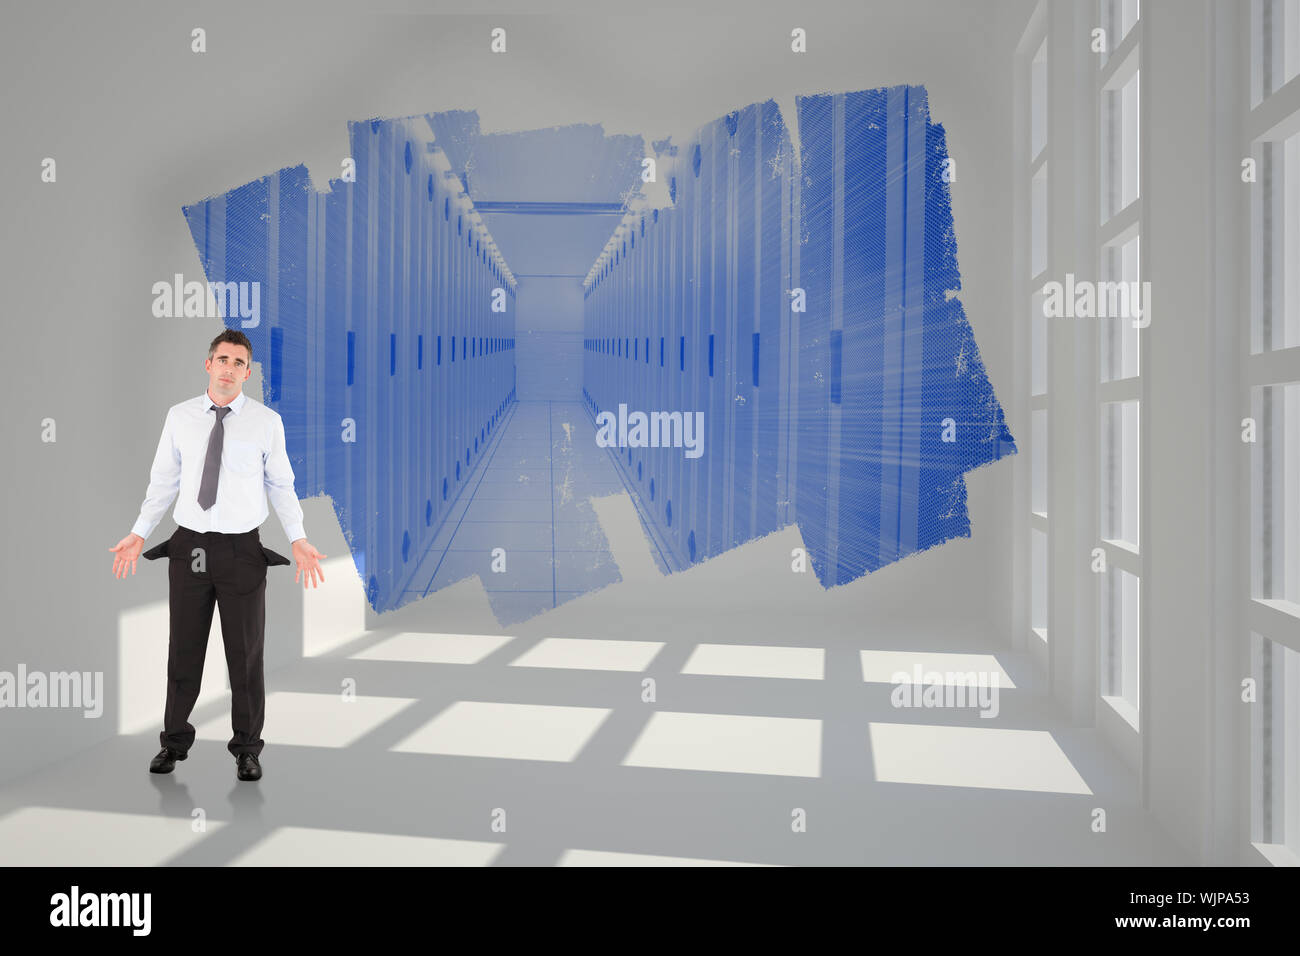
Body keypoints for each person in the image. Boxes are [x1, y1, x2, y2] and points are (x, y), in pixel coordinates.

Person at [109, 329, 326, 781]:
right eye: (223, 360)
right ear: (208, 364)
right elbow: (163, 481)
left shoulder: (266, 422)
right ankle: (173, 744)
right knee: (184, 650)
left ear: (248, 372)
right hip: (189, 547)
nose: (229, 369)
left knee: (245, 655)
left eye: (239, 363)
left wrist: (298, 536)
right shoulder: (180, 417)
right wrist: (138, 532)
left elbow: (280, 484)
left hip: (241, 550)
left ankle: (247, 748)